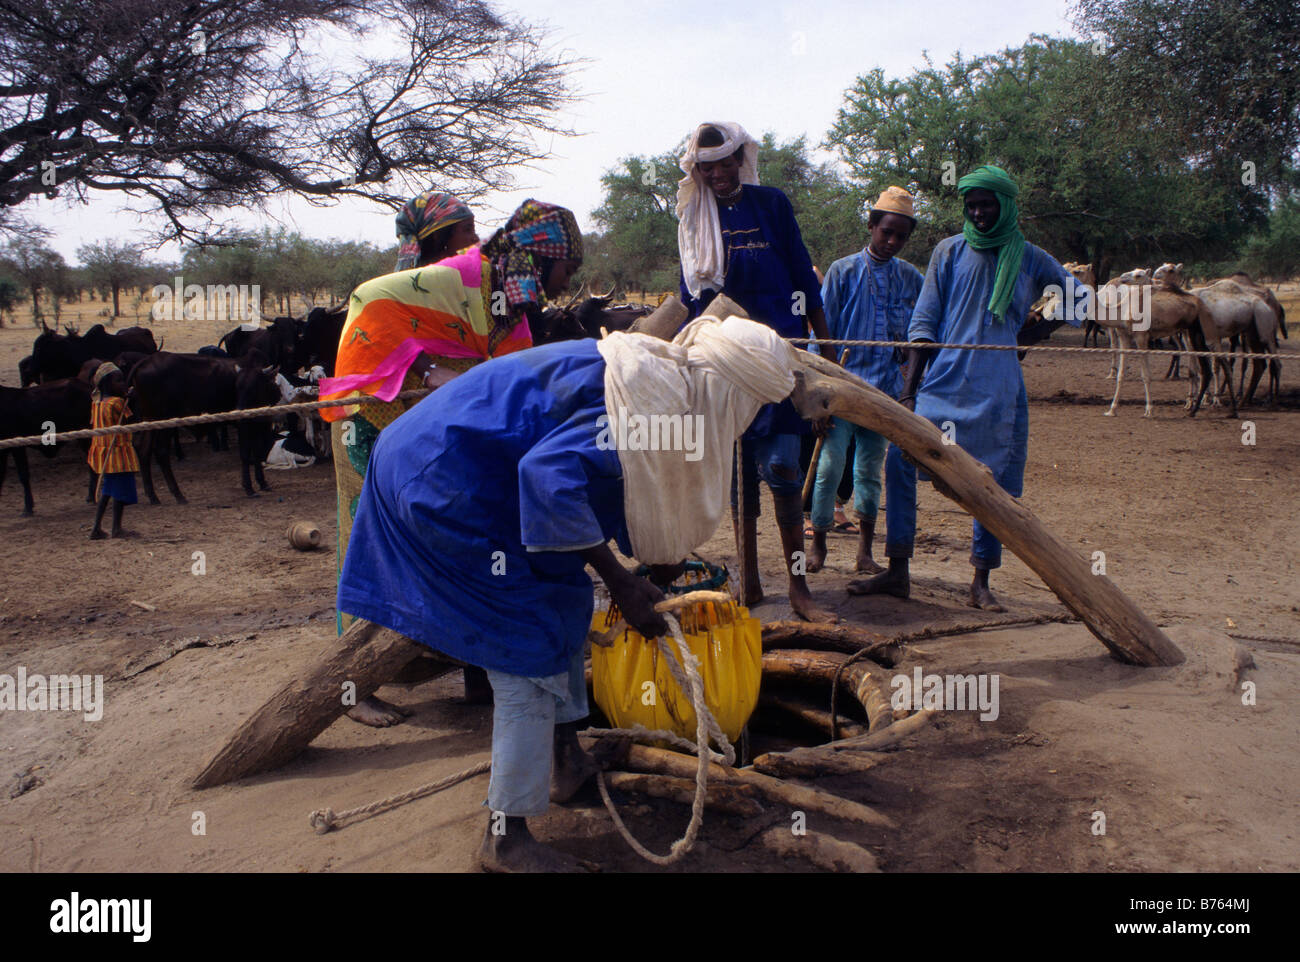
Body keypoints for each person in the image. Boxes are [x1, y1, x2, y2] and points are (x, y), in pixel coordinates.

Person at [337, 315, 799, 871]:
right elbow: (549, 479)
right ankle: (506, 839)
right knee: (525, 647)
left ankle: (564, 764)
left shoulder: (657, 377)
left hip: (469, 471)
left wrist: (643, 567)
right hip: (442, 482)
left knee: (563, 603)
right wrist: (622, 582)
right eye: (750, 406)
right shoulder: (648, 399)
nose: (748, 421)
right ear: (729, 389)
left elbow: (601, 476)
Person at [319, 196, 583, 725]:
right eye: (566, 269)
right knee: (368, 533)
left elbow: (507, 378)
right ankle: (352, 684)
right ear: (541, 256)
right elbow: (371, 305)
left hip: (416, 416)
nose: (566, 283)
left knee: (449, 532)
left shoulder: (501, 292)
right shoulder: (469, 280)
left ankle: (468, 662)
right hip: (369, 410)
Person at [850, 165, 1091, 610]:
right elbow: (924, 322)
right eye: (972, 205)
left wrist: (1030, 335)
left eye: (987, 204)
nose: (979, 213)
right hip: (941, 381)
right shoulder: (949, 251)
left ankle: (980, 581)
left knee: (992, 481)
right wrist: (909, 391)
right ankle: (898, 570)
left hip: (998, 388)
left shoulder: (1031, 257)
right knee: (901, 462)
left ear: (1006, 206)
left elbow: (1081, 297)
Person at [676, 120, 836, 623]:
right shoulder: (692, 219)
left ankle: (798, 589)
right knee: (739, 480)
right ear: (697, 170)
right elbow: (690, 300)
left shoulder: (772, 205)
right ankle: (749, 581)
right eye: (708, 166)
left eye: (726, 162)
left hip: (777, 359)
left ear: (740, 158)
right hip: (721, 364)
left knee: (785, 474)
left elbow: (803, 277)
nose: (719, 173)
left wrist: (827, 353)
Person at [807, 187, 924, 575]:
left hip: (885, 390)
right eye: (885, 232)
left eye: (900, 236)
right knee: (829, 467)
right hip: (841, 387)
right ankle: (819, 544)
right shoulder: (842, 271)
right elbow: (820, 338)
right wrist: (816, 399)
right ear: (871, 225)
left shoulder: (911, 278)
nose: (891, 241)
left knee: (869, 471)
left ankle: (864, 552)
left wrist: (909, 386)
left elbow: (918, 335)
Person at [87, 362, 140, 540]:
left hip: (103, 452)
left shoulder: (97, 403)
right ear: (107, 383)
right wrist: (130, 400)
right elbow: (131, 423)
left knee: (107, 490)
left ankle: (96, 527)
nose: (123, 384)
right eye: (118, 381)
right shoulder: (116, 403)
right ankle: (116, 527)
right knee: (118, 490)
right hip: (117, 453)